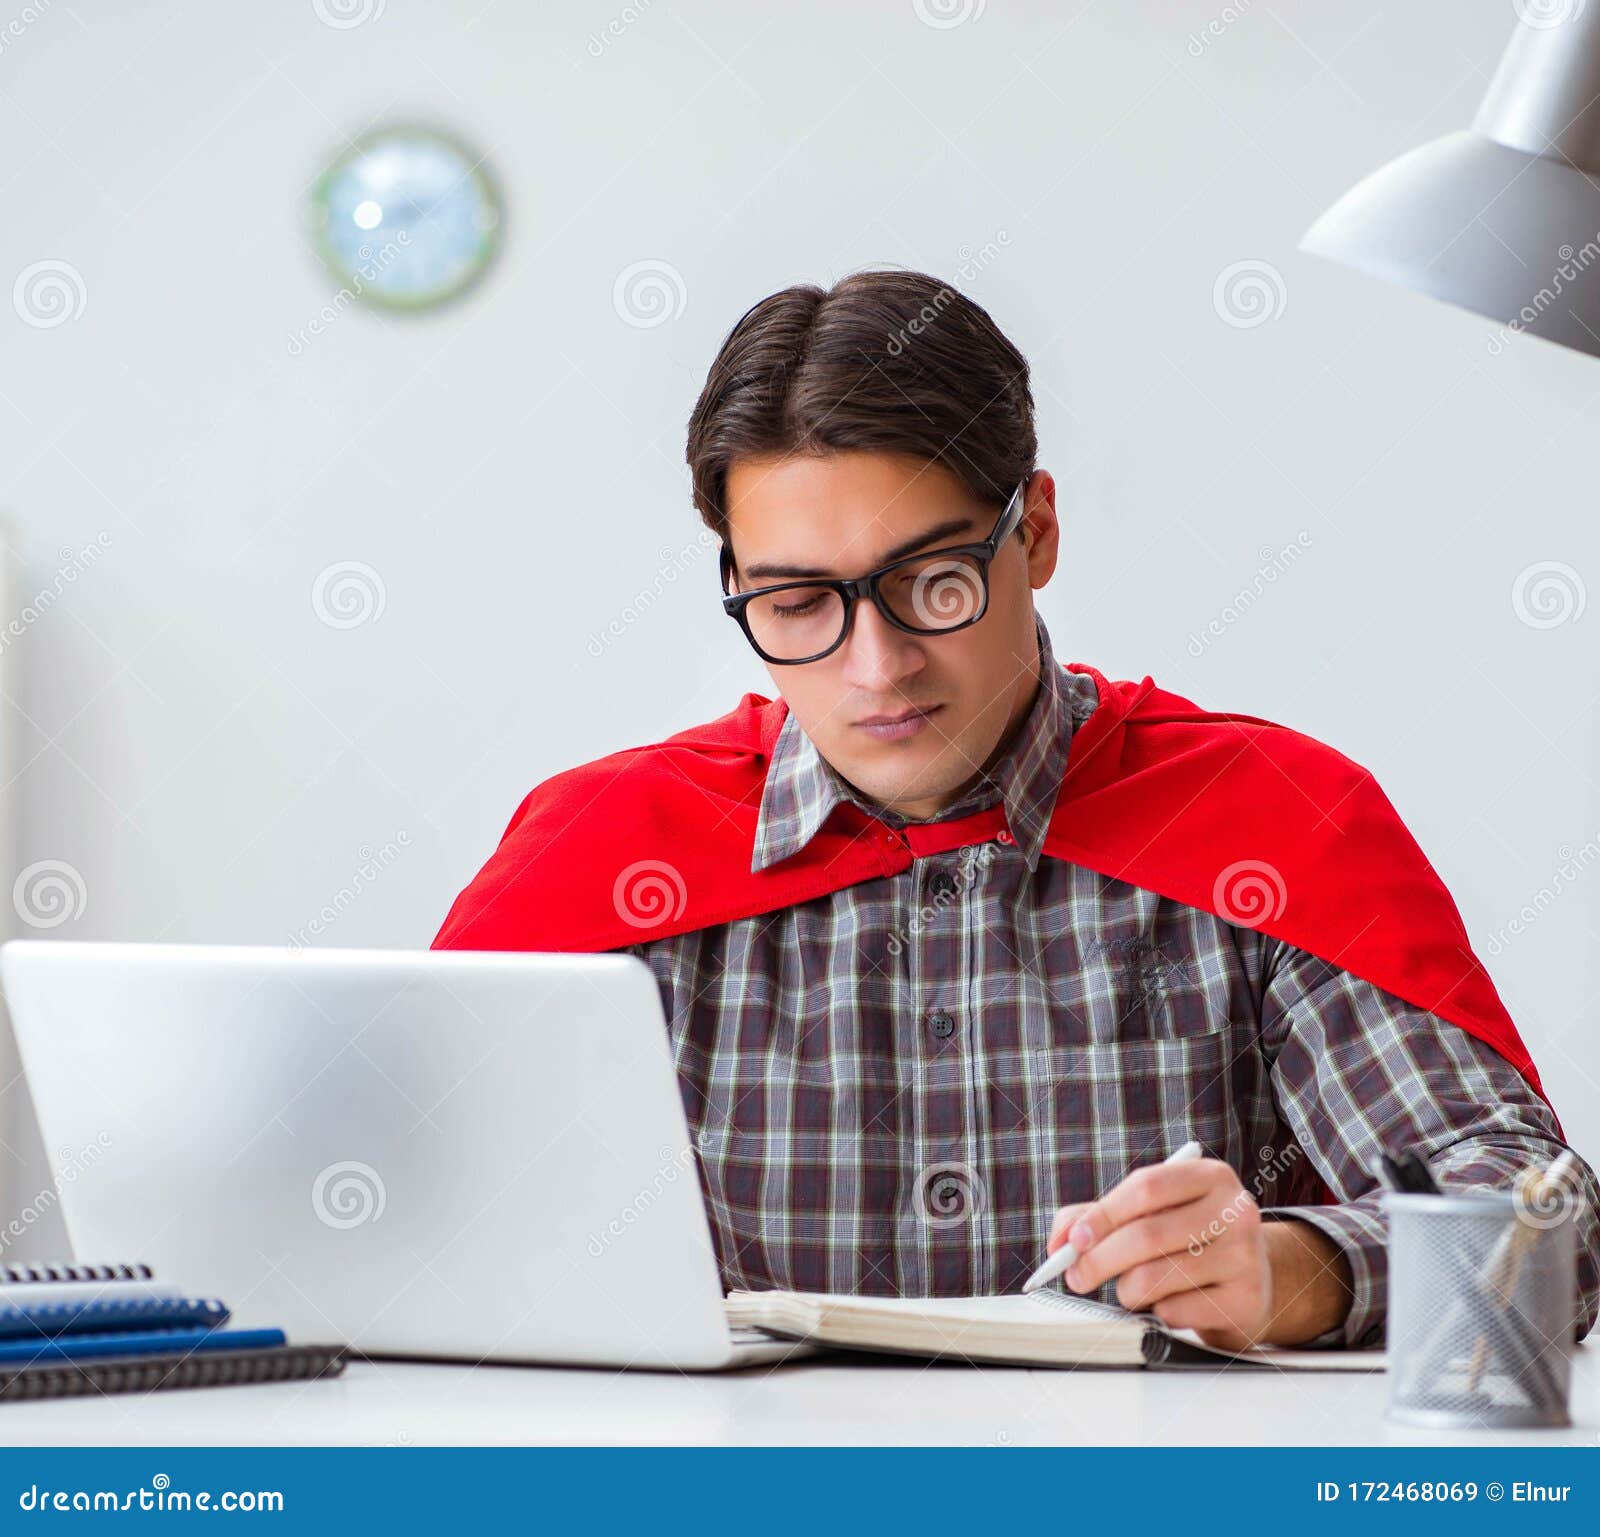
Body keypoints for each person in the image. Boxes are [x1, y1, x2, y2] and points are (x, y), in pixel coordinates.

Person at [432, 268, 1600, 1351]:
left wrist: (1300, 1270)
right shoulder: (599, 858)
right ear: (736, 586)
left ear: (1033, 531)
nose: (876, 667)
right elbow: (399, 1219)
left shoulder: (1272, 822)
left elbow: (1547, 1230)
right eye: (797, 604)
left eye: (932, 582)